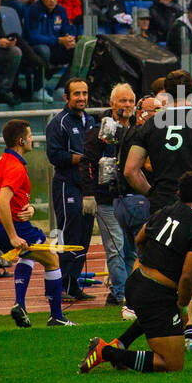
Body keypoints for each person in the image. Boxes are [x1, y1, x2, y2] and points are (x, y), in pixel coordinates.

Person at [123, 69, 192, 351]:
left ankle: (141, 313)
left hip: (162, 204)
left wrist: (153, 192)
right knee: (189, 267)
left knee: (154, 260)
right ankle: (189, 328)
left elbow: (131, 171)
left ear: (166, 93)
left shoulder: (151, 125)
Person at [78, 171, 192, 374]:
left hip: (137, 281)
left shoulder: (165, 211)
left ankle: (122, 343)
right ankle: (106, 352)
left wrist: (152, 260)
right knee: (172, 363)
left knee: (159, 312)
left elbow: (140, 239)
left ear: (178, 193)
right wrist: (183, 307)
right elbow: (188, 276)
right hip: (155, 293)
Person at [0, 119, 74, 328]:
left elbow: (5, 199)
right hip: (13, 227)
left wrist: (30, 208)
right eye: (31, 135)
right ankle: (57, 317)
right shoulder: (16, 167)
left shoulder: (2, 160)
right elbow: (1, 202)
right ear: (21, 140)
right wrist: (14, 236)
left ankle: (21, 305)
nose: (33, 140)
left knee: (28, 256)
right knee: (52, 259)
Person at [82, 83, 138, 307]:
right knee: (115, 248)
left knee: (131, 249)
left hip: (132, 198)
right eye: (122, 101)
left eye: (130, 101)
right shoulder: (97, 132)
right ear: (112, 103)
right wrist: (89, 194)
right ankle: (123, 294)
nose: (126, 105)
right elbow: (87, 164)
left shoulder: (137, 131)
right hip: (106, 199)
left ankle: (119, 293)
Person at [46, 77, 98, 301]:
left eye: (85, 94)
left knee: (85, 233)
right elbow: (54, 155)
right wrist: (80, 159)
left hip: (87, 186)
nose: (82, 98)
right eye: (77, 94)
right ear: (67, 97)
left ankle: (73, 284)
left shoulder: (91, 120)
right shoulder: (59, 122)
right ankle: (59, 285)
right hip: (67, 185)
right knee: (69, 232)